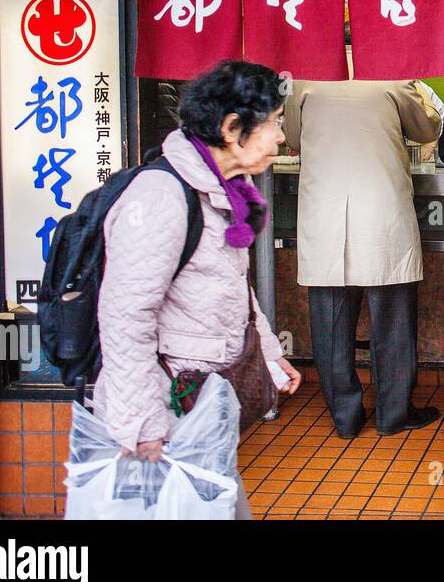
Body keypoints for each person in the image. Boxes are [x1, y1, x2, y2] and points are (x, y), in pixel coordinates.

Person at [92, 60, 303, 519]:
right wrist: (143, 424)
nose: (281, 138)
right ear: (232, 128)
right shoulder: (162, 196)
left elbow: (230, 286)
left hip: (200, 405)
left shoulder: (226, 189)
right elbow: (125, 316)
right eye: (274, 124)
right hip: (165, 408)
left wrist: (265, 350)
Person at [285, 62, 443, 438]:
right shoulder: (393, 73)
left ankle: (346, 418)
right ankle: (393, 414)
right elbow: (427, 130)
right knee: (392, 321)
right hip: (381, 212)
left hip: (324, 214)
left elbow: (292, 136)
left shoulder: (304, 78)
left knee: (331, 323)